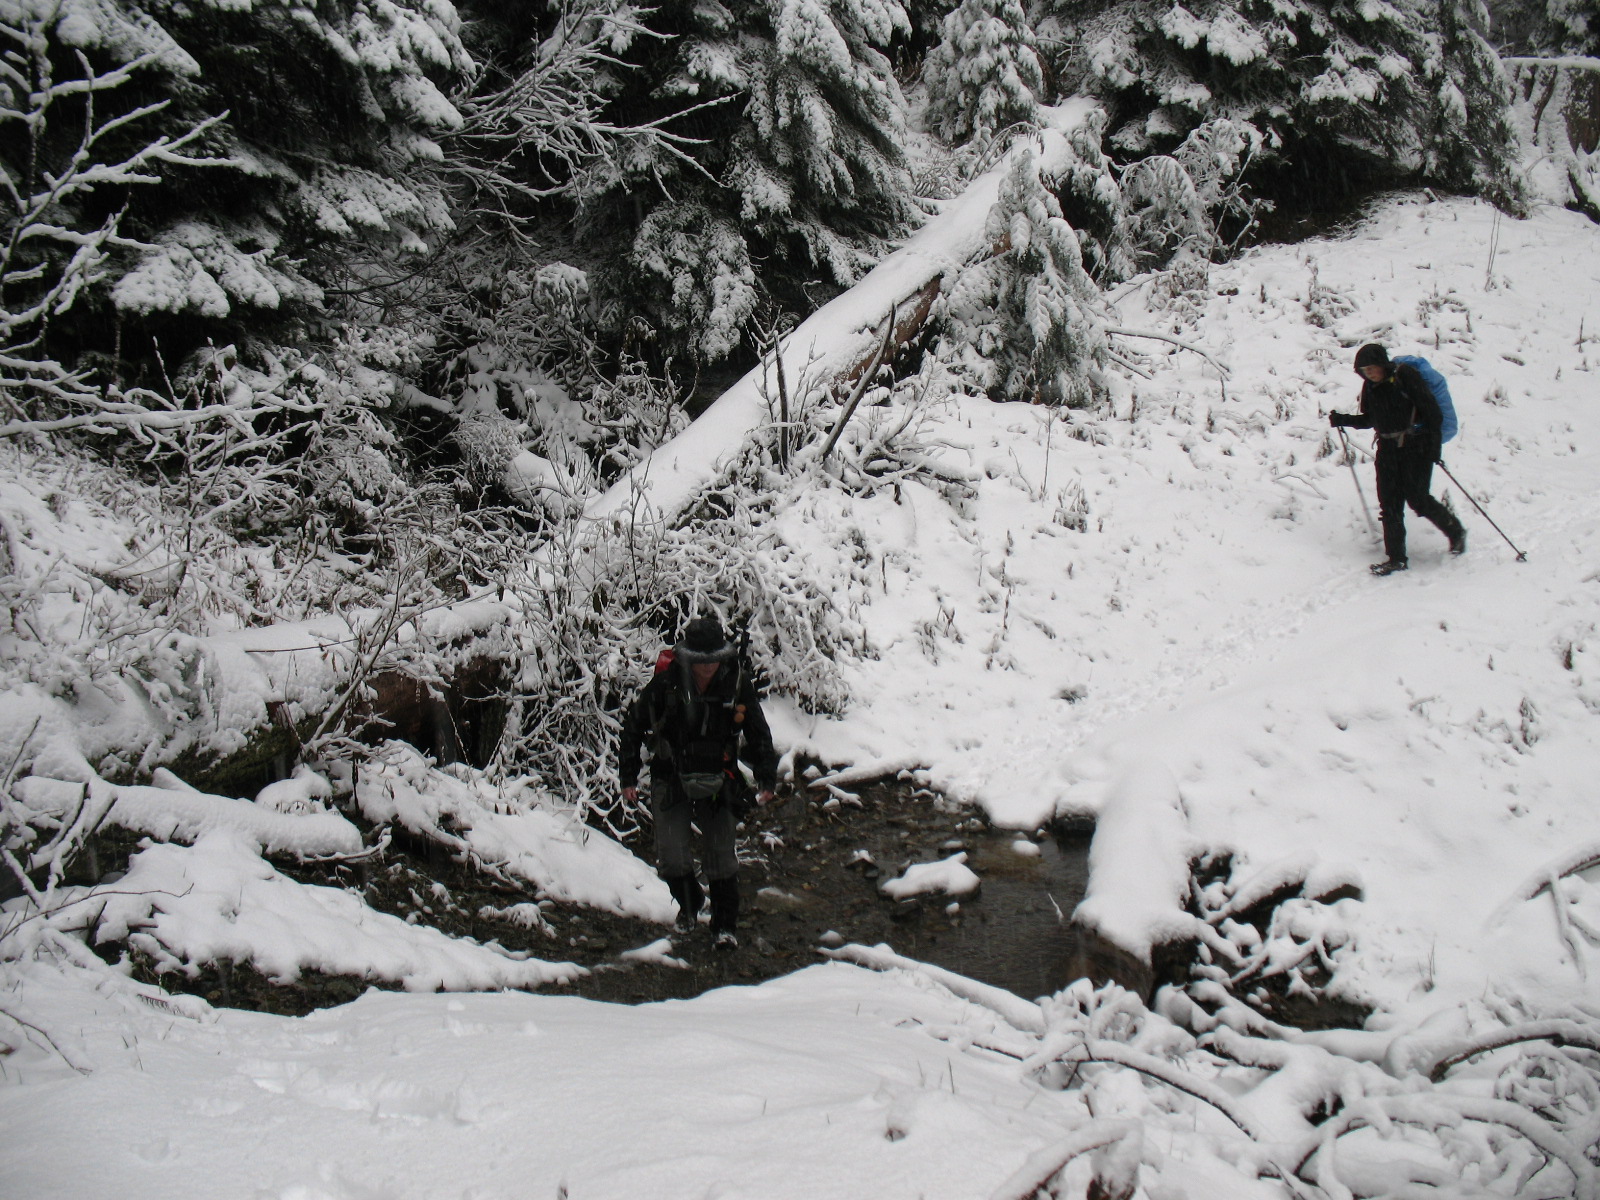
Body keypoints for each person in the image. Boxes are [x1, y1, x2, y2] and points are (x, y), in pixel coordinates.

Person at [618, 615, 777, 949]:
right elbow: (634, 727)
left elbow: (758, 731)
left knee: (720, 857)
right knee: (672, 858)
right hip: (670, 775)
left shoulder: (737, 682)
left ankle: (725, 927)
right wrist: (628, 777)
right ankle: (691, 904)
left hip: (721, 779)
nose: (708, 669)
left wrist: (766, 777)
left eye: (714, 661)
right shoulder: (665, 684)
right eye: (701, 663)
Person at [1329, 343, 1467, 576]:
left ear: (1383, 364)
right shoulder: (1371, 387)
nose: (1369, 373)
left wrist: (1434, 449)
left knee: (1418, 498)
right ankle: (1396, 559)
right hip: (1388, 449)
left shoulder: (1407, 377)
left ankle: (1456, 532)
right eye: (1364, 370)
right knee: (1389, 504)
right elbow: (1371, 419)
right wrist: (1343, 419)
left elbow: (1433, 414)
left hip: (1417, 446)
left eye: (1372, 368)